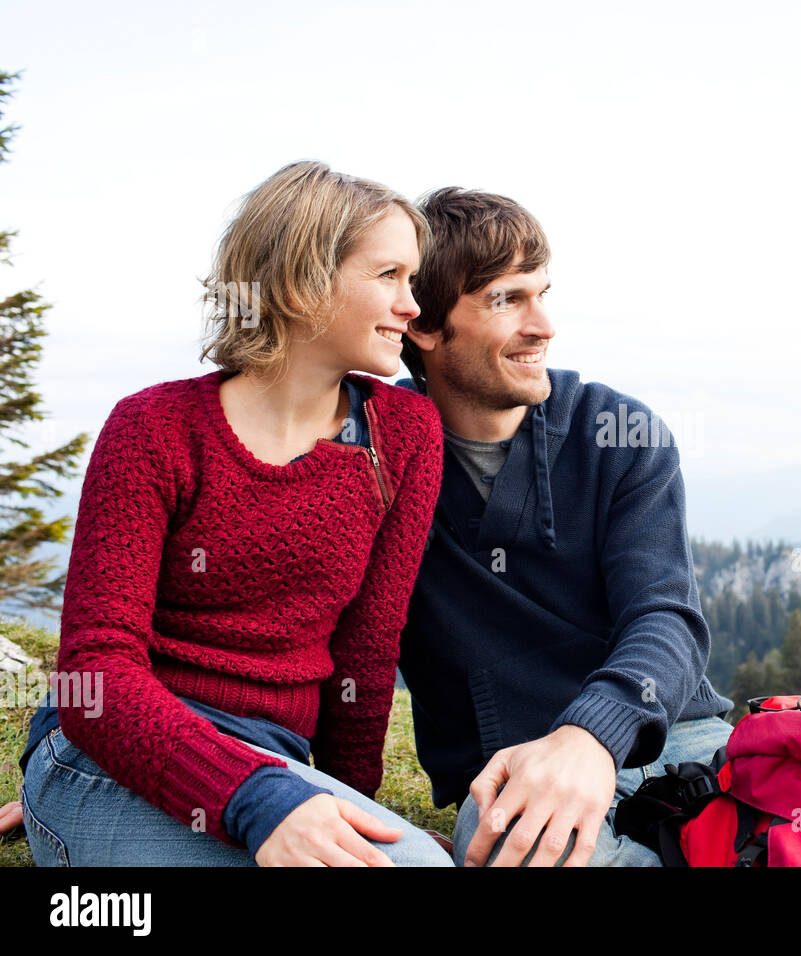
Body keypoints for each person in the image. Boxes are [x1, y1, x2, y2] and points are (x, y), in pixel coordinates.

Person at [16, 160, 452, 866]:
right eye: (389, 276)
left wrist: (352, 816)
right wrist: (258, 801)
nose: (412, 305)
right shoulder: (153, 427)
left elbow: (364, 659)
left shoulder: (404, 434)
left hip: (270, 760)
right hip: (107, 754)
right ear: (301, 281)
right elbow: (94, 672)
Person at [396, 187, 734, 867]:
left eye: (543, 293)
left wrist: (591, 736)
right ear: (424, 327)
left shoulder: (621, 434)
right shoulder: (378, 452)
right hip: (512, 778)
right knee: (518, 851)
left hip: (672, 741)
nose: (543, 325)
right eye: (506, 300)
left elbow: (666, 616)